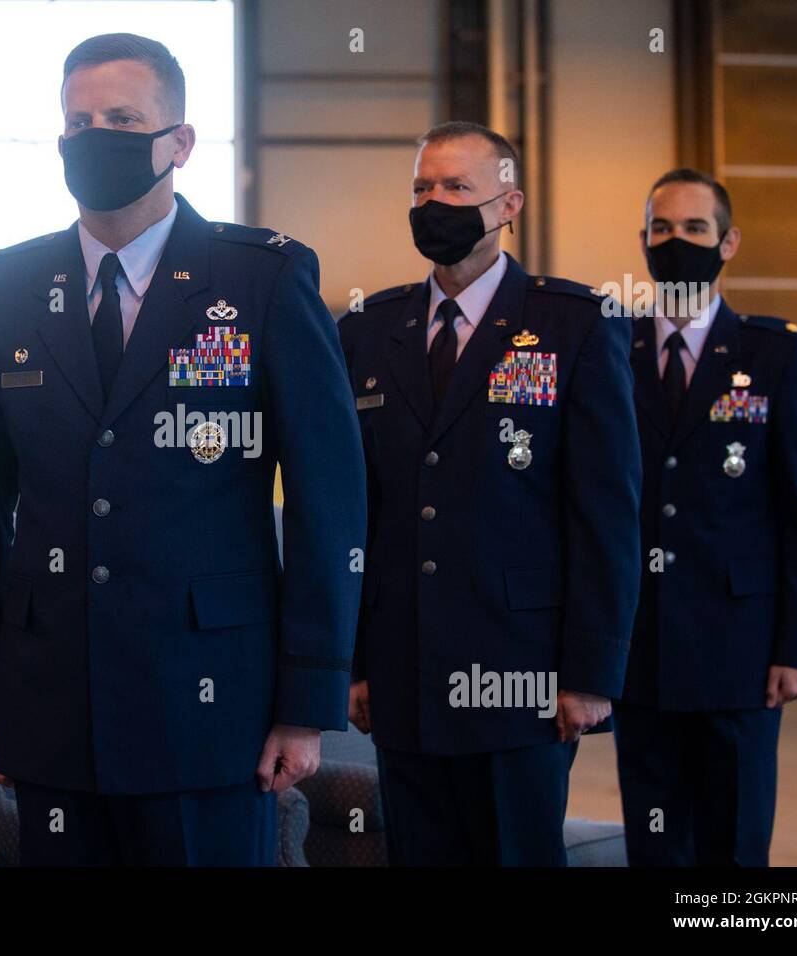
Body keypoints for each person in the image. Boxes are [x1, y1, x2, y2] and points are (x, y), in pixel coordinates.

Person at [0, 33, 365, 866]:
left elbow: (329, 499)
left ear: (179, 143)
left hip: (211, 708)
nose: (95, 134)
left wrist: (306, 701)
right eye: (79, 121)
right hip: (52, 704)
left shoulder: (263, 280)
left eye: (123, 117)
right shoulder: (2, 287)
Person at [337, 121, 641, 865]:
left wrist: (592, 675)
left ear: (509, 204)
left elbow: (606, 512)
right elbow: (356, 512)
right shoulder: (370, 331)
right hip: (404, 674)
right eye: (422, 188)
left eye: (455, 188)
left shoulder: (574, 324)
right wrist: (354, 664)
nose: (433, 202)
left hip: (521, 674)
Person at [614, 167, 797, 866]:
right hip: (638, 651)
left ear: (728, 242)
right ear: (643, 241)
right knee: (653, 844)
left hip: (739, 650)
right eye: (661, 229)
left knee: (732, 846)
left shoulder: (775, 353)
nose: (676, 242)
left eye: (694, 229)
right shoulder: (612, 349)